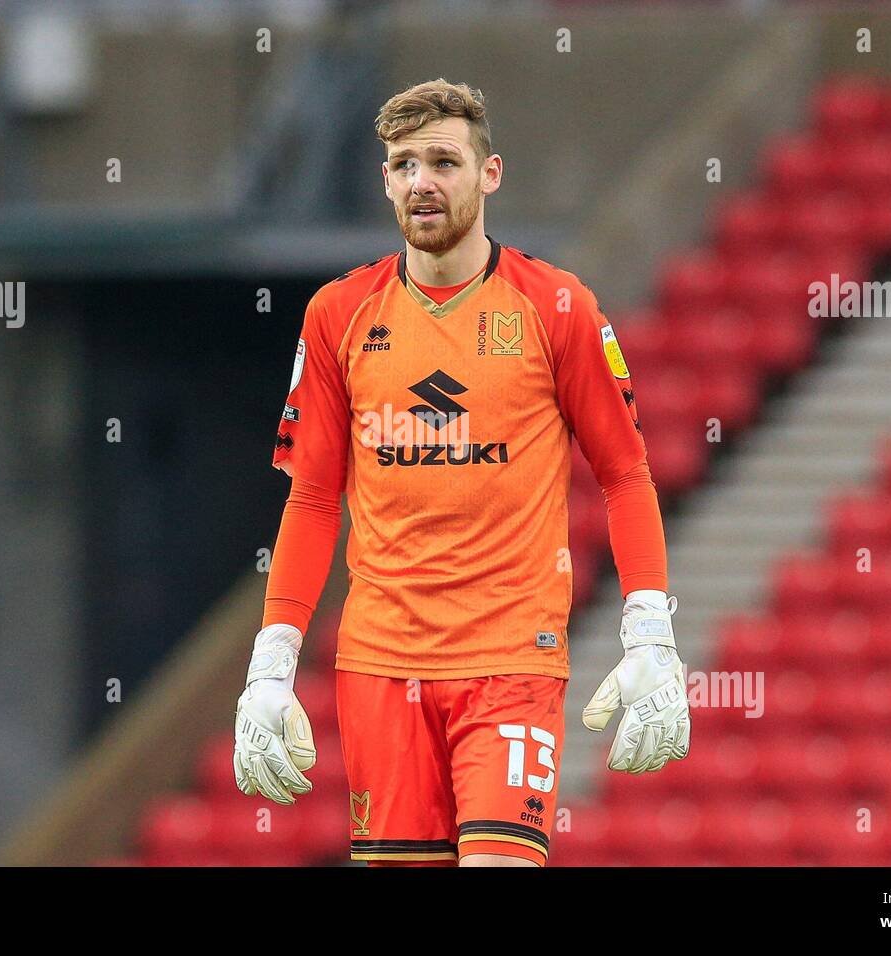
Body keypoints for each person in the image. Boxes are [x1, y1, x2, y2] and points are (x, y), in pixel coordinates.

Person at [233, 78, 690, 867]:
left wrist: (650, 631)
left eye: (444, 161)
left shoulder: (557, 308)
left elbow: (624, 472)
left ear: (489, 173)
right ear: (384, 180)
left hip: (510, 656)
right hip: (380, 665)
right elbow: (313, 499)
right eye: (404, 164)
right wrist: (271, 662)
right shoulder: (338, 316)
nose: (422, 182)